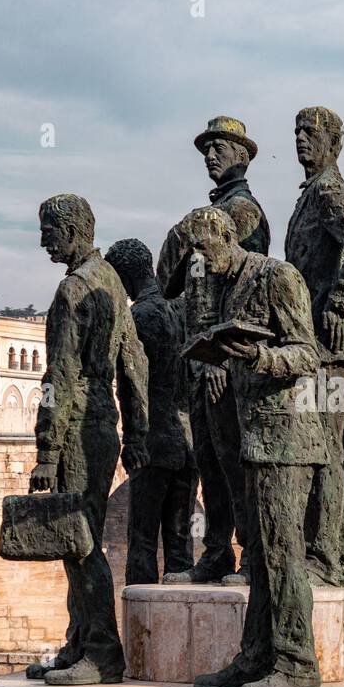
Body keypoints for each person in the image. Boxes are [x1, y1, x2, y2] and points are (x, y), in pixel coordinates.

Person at [180, 207, 328, 687]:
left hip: (288, 439)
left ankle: (297, 664)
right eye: (194, 252)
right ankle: (256, 656)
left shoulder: (276, 276)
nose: (200, 259)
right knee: (262, 553)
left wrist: (257, 356)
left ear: (229, 236)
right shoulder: (224, 288)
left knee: (284, 554)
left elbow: (307, 354)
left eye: (205, 248)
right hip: (254, 438)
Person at [22, 193, 149, 686]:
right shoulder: (114, 282)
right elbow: (135, 363)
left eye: (48, 231)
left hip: (76, 425)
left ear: (73, 230)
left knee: (80, 544)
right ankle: (78, 644)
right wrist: (135, 430)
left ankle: (101, 653)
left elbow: (59, 376)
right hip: (105, 422)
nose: (42, 240)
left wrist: (47, 452)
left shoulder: (73, 291)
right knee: (83, 537)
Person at [159, 116, 268, 585]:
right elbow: (168, 277)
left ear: (242, 155)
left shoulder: (242, 211)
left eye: (219, 147)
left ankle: (249, 557)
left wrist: (220, 357)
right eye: (206, 148)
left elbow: (237, 290)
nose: (210, 155)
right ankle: (219, 553)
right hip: (201, 359)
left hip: (222, 358)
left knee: (232, 462)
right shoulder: (215, 211)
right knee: (210, 459)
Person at [284, 106, 344, 586]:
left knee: (322, 447)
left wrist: (337, 301)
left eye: (311, 133)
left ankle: (324, 556)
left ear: (333, 143)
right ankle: (328, 551)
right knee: (323, 446)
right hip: (319, 344)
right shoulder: (312, 193)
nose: (301, 139)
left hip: (329, 346)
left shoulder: (328, 191)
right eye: (298, 132)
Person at [106, 237, 197, 585]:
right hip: (189, 440)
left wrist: (133, 439)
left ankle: (141, 622)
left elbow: (133, 383)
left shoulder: (138, 317)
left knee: (142, 537)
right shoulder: (183, 310)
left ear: (125, 277)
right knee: (180, 541)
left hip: (154, 440)